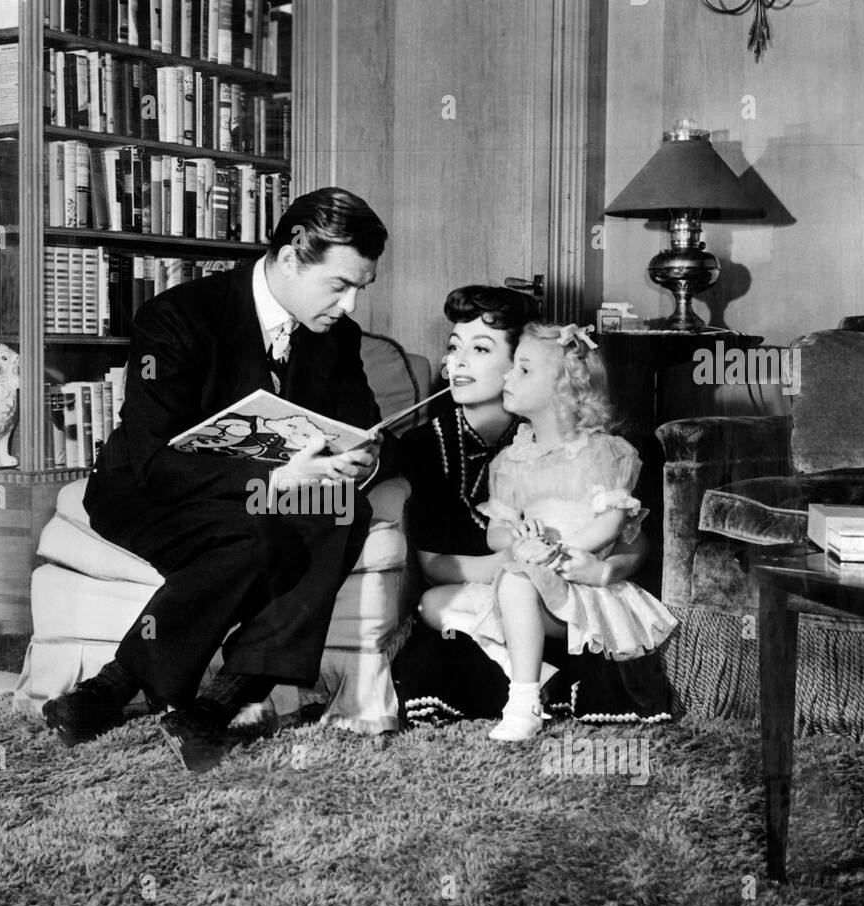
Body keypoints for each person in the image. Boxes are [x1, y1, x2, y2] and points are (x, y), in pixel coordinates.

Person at [45, 187, 393, 773]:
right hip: (150, 489)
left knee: (344, 512)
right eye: (339, 285)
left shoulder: (338, 335)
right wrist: (279, 475)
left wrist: (362, 457)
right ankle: (113, 688)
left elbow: (359, 425)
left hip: (267, 492)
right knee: (256, 534)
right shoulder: (176, 316)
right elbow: (156, 462)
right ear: (289, 258)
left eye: (362, 288)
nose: (351, 305)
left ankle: (214, 702)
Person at [395, 287, 652, 725]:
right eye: (453, 347)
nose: (456, 362)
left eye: (480, 349)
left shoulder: (567, 435)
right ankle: (532, 686)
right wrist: (515, 561)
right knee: (439, 650)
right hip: (486, 597)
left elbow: (631, 537)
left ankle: (547, 683)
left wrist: (601, 568)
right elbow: (435, 566)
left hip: (567, 599)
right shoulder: (424, 447)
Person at [464, 322, 678, 741]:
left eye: (523, 370)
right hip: (531, 574)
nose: (507, 377)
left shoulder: (603, 451)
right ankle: (535, 672)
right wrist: (520, 539)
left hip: (580, 583)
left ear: (564, 387)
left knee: (517, 578)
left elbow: (613, 522)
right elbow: (496, 535)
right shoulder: (510, 460)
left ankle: (522, 701)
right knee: (437, 604)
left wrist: (554, 550)